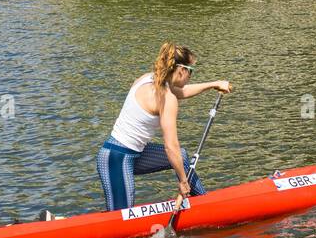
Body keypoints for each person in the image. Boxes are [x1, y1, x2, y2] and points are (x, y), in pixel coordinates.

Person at [96, 42, 232, 211]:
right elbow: (170, 147)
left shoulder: (149, 79)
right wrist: (183, 182)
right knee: (120, 219)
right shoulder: (167, 98)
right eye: (191, 71)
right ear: (181, 70)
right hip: (115, 158)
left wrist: (213, 84)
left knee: (181, 156)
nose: (191, 76)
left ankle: (203, 204)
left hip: (135, 155)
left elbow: (180, 91)